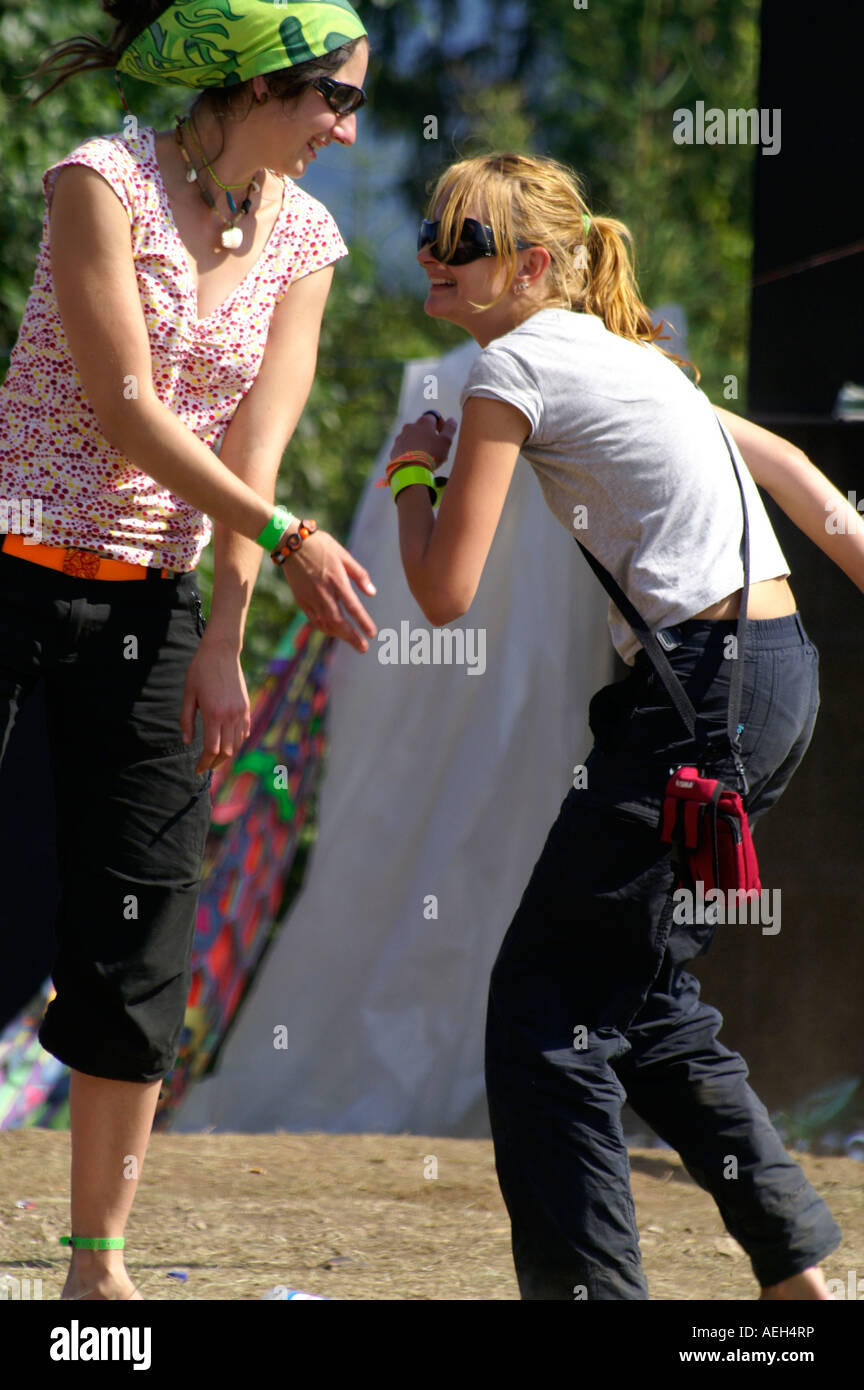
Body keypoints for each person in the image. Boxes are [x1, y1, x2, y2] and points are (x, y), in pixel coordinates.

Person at [383, 151, 860, 1300]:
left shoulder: (513, 368)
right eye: (431, 233)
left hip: (698, 691)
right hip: (769, 678)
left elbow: (444, 592)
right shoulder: (627, 358)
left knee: (544, 1012)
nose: (432, 258)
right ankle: (802, 1277)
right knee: (636, 1002)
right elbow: (791, 466)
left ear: (532, 263)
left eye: (464, 240)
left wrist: (410, 475)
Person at [0, 1, 376, 1300]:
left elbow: (254, 451)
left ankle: (97, 1270)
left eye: (358, 105)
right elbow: (123, 407)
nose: (344, 127)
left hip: (156, 609)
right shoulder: (97, 183)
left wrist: (227, 633)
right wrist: (289, 532)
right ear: (247, 81)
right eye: (334, 96)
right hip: (15, 567)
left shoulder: (310, 241)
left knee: (141, 926)